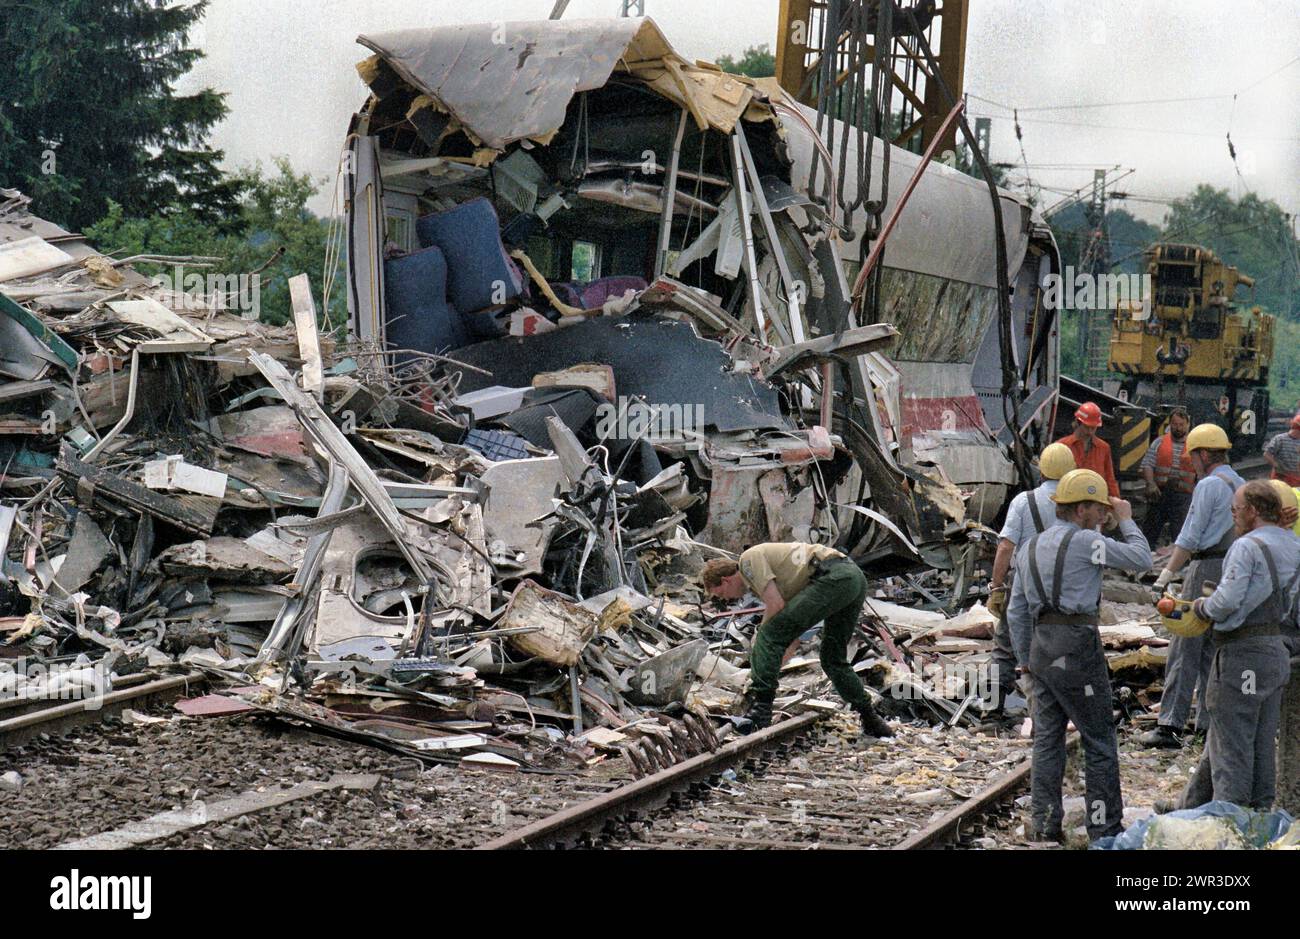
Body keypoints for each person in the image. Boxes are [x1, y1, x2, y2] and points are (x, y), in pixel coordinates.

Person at [1005, 469, 1152, 842]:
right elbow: (1142, 558)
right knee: (1099, 738)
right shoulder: (1089, 543)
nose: (1104, 515)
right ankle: (1102, 827)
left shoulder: (1028, 548)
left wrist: (1025, 660)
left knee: (1047, 740)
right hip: (1077, 643)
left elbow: (1016, 612)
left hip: (1041, 646)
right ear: (1082, 508)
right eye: (1100, 509)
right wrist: (1126, 519)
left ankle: (1044, 827)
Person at [1175, 481, 1298, 811]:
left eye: (1235, 510)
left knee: (1233, 745)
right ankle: (1258, 818)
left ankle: (1231, 821)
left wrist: (1202, 606)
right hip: (1276, 654)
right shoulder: (1295, 546)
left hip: (1242, 654)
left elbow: (1226, 602)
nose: (1233, 518)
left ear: (1253, 511)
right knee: (1261, 740)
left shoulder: (1246, 547)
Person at [701, 543, 893, 738]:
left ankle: (760, 709)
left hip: (834, 577)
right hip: (853, 578)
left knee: (768, 632)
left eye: (721, 594)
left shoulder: (747, 561)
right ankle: (871, 719)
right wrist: (778, 658)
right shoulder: (784, 576)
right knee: (832, 658)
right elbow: (795, 625)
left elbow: (776, 606)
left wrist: (761, 642)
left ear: (725, 581)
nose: (725, 600)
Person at [1142, 423, 1245, 749]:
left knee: (1184, 646)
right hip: (1229, 565)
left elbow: (1189, 537)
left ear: (1202, 454)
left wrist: (1163, 578)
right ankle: (1205, 723)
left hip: (1204, 568)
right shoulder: (1239, 482)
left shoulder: (1209, 485)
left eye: (1193, 457)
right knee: (1212, 649)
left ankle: (1169, 724)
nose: (1192, 464)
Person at [986, 443, 1076, 703]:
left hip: (1025, 580)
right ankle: (1057, 706)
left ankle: (992, 709)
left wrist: (997, 586)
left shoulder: (1024, 501)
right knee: (1059, 642)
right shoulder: (1077, 503)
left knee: (1004, 647)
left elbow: (1005, 547)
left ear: (1042, 470)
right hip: (1063, 583)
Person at [1139, 407, 1195, 546]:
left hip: (1183, 496)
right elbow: (1148, 464)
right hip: (1160, 493)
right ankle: (1146, 552)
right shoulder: (1159, 442)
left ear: (1187, 425)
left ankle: (1180, 562)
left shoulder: (1194, 446)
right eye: (1175, 424)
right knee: (1151, 529)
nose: (1178, 428)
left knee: (1181, 533)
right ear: (1170, 425)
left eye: (1181, 425)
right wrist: (1150, 484)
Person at [1056, 402, 1119, 498]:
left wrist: (1116, 503)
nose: (1089, 432)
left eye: (1093, 428)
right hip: (1069, 500)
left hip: (1095, 501)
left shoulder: (1104, 448)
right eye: (1086, 427)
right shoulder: (1062, 446)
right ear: (1077, 423)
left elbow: (1110, 479)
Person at [1264, 415, 1300, 486]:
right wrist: (1276, 465)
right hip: (1281, 477)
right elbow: (1267, 454)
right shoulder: (1280, 439)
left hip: (1297, 478)